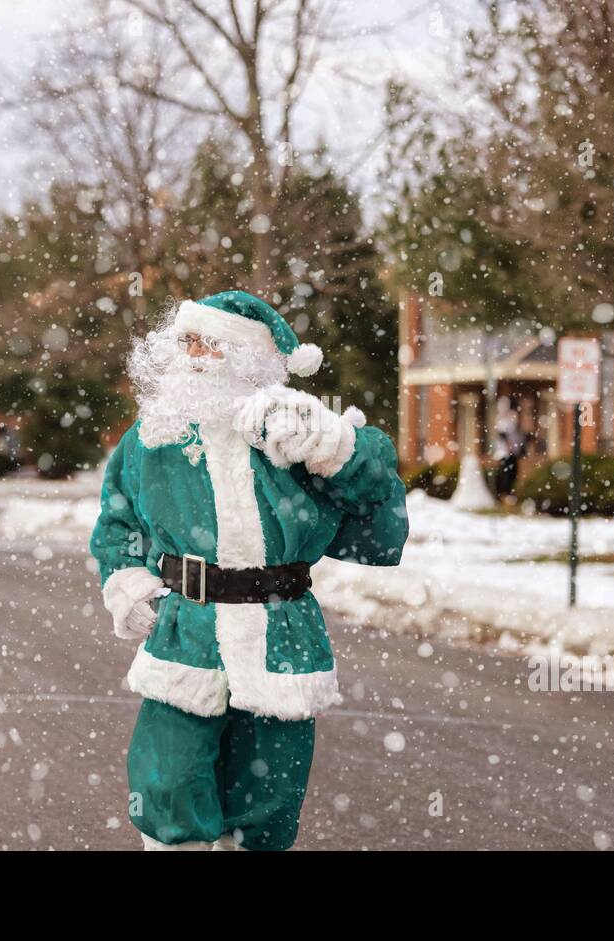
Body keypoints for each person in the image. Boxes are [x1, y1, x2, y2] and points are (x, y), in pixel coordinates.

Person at [90, 290, 407, 851]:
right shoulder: (153, 435)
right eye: (185, 341)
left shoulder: (294, 433)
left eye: (207, 344)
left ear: (249, 359)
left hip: (281, 637)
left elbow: (380, 535)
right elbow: (118, 520)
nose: (190, 356)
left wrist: (341, 448)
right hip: (185, 633)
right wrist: (127, 581)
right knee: (167, 779)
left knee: (270, 793)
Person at [491, 396, 528, 499]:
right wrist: (509, 445)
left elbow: (515, 433)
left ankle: (508, 492)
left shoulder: (512, 416)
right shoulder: (500, 418)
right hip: (505, 451)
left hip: (513, 450)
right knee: (505, 472)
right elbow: (502, 433)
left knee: (512, 472)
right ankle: (503, 493)